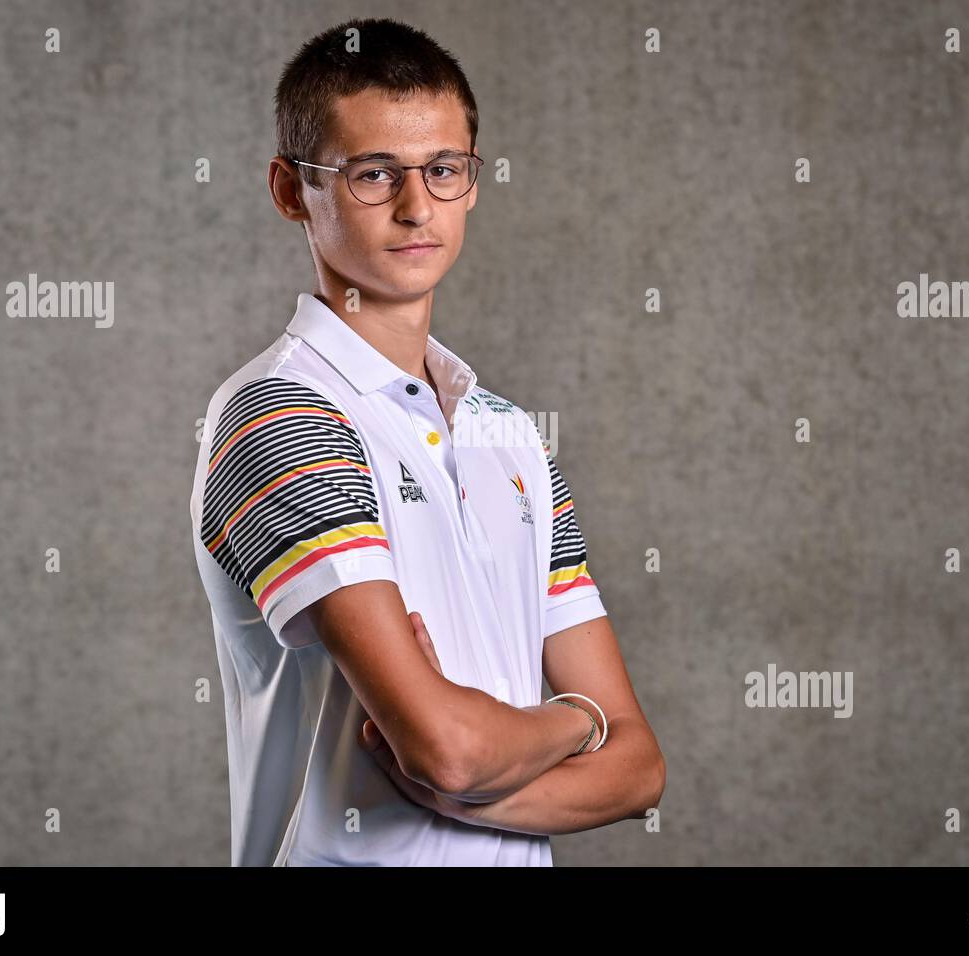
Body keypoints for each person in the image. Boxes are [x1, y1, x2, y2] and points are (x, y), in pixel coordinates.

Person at [189, 16, 665, 866]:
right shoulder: (281, 416)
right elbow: (445, 749)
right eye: (373, 174)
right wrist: (573, 723)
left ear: (472, 182)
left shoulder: (508, 434)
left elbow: (637, 770)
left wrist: (530, 742)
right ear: (292, 189)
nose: (417, 207)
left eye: (443, 170)